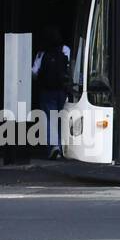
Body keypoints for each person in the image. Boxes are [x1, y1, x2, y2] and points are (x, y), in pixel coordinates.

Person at [31, 25, 71, 159]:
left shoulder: (41, 53)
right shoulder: (65, 50)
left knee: (49, 119)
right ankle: (63, 147)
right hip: (62, 90)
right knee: (61, 119)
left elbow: (34, 73)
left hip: (47, 91)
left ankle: (55, 147)